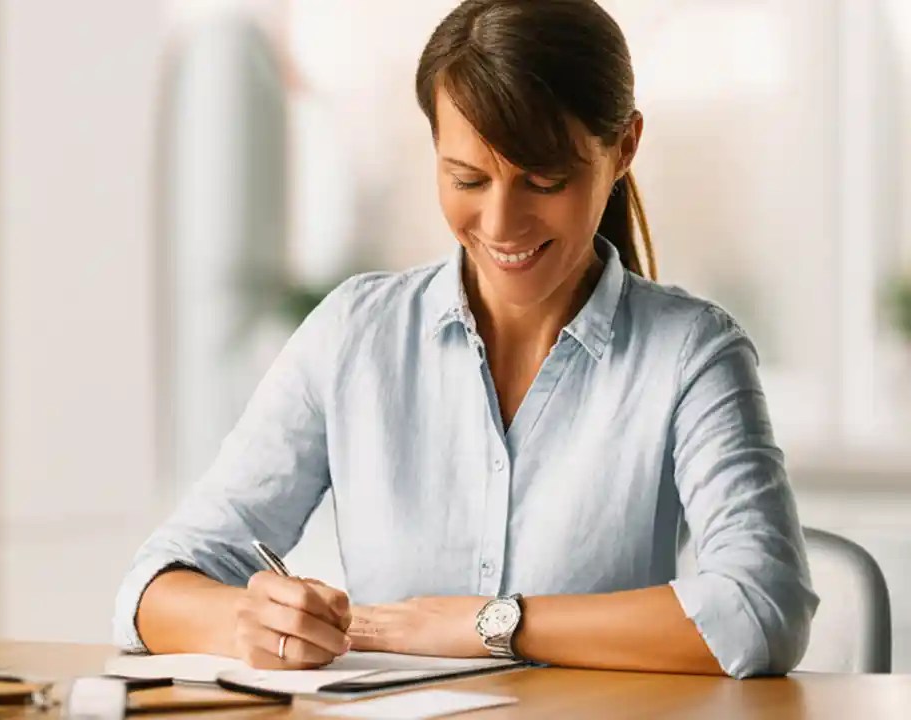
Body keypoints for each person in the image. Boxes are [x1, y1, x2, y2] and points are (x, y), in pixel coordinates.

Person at [113, 0, 816, 679]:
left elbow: (760, 608)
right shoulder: (355, 334)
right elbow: (152, 589)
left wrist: (490, 625)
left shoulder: (691, 355)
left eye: (545, 180)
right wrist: (251, 621)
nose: (502, 223)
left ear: (624, 147)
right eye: (467, 178)